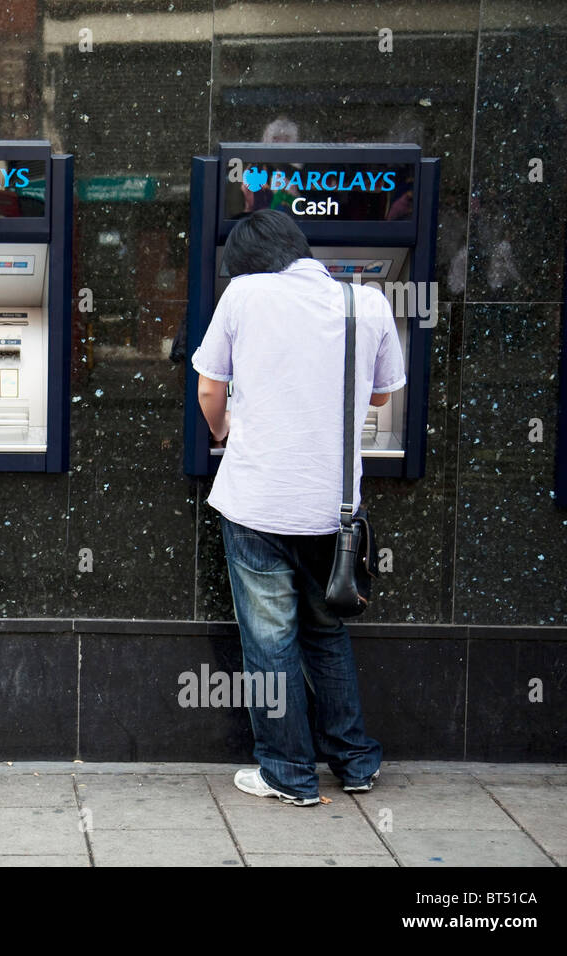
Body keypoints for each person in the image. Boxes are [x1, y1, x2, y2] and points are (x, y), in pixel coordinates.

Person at [191, 209, 404, 805]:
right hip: (333, 509)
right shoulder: (369, 303)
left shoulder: (242, 296)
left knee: (270, 643)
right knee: (326, 632)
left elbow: (210, 386)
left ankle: (287, 772)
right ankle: (356, 761)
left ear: (248, 262)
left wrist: (226, 430)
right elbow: (382, 392)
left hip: (258, 503)